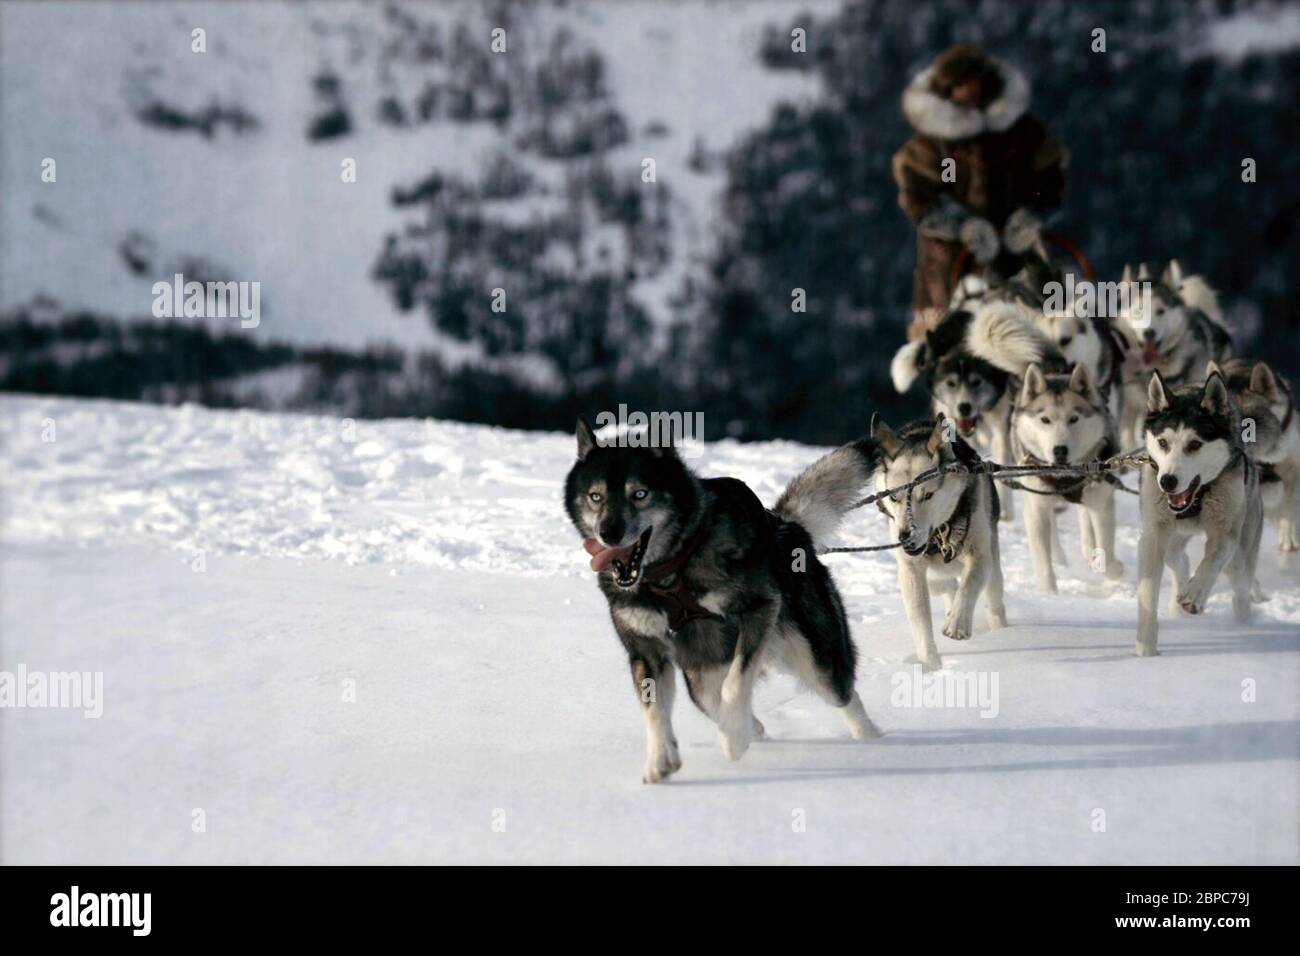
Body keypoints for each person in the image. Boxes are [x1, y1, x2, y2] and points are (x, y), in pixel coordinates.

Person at [892, 44, 1068, 341]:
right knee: (953, 347)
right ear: (947, 91)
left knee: (1038, 337)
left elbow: (1049, 181)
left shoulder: (1023, 134)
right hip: (948, 268)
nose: (968, 91)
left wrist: (1031, 215)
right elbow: (918, 197)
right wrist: (963, 226)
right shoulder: (931, 145)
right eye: (960, 85)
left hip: (1018, 256)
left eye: (974, 82)